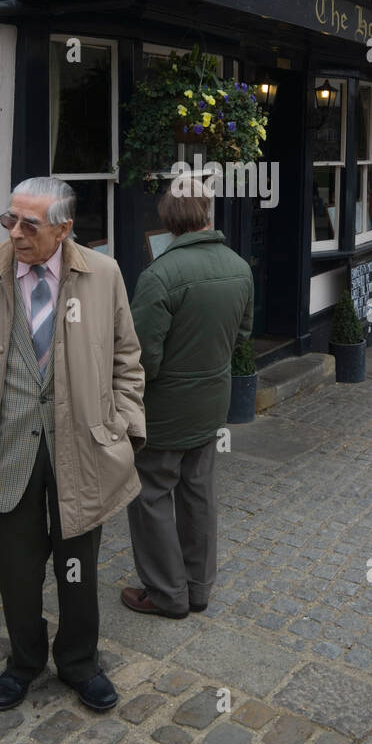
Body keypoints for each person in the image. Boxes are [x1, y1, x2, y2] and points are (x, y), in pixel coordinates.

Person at [0, 177, 145, 714]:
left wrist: (124, 428)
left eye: (30, 224)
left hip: (84, 450)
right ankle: (24, 660)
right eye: (10, 219)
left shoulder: (103, 275)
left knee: (78, 568)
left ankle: (79, 661)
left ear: (64, 228)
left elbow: (127, 358)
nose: (16, 233)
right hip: (5, 452)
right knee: (15, 570)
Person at [123, 175, 253, 619]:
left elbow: (143, 358)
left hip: (164, 410)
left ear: (169, 218)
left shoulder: (159, 275)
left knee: (151, 495)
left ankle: (166, 593)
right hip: (211, 401)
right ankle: (198, 589)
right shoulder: (239, 266)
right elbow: (242, 338)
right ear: (206, 213)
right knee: (198, 492)